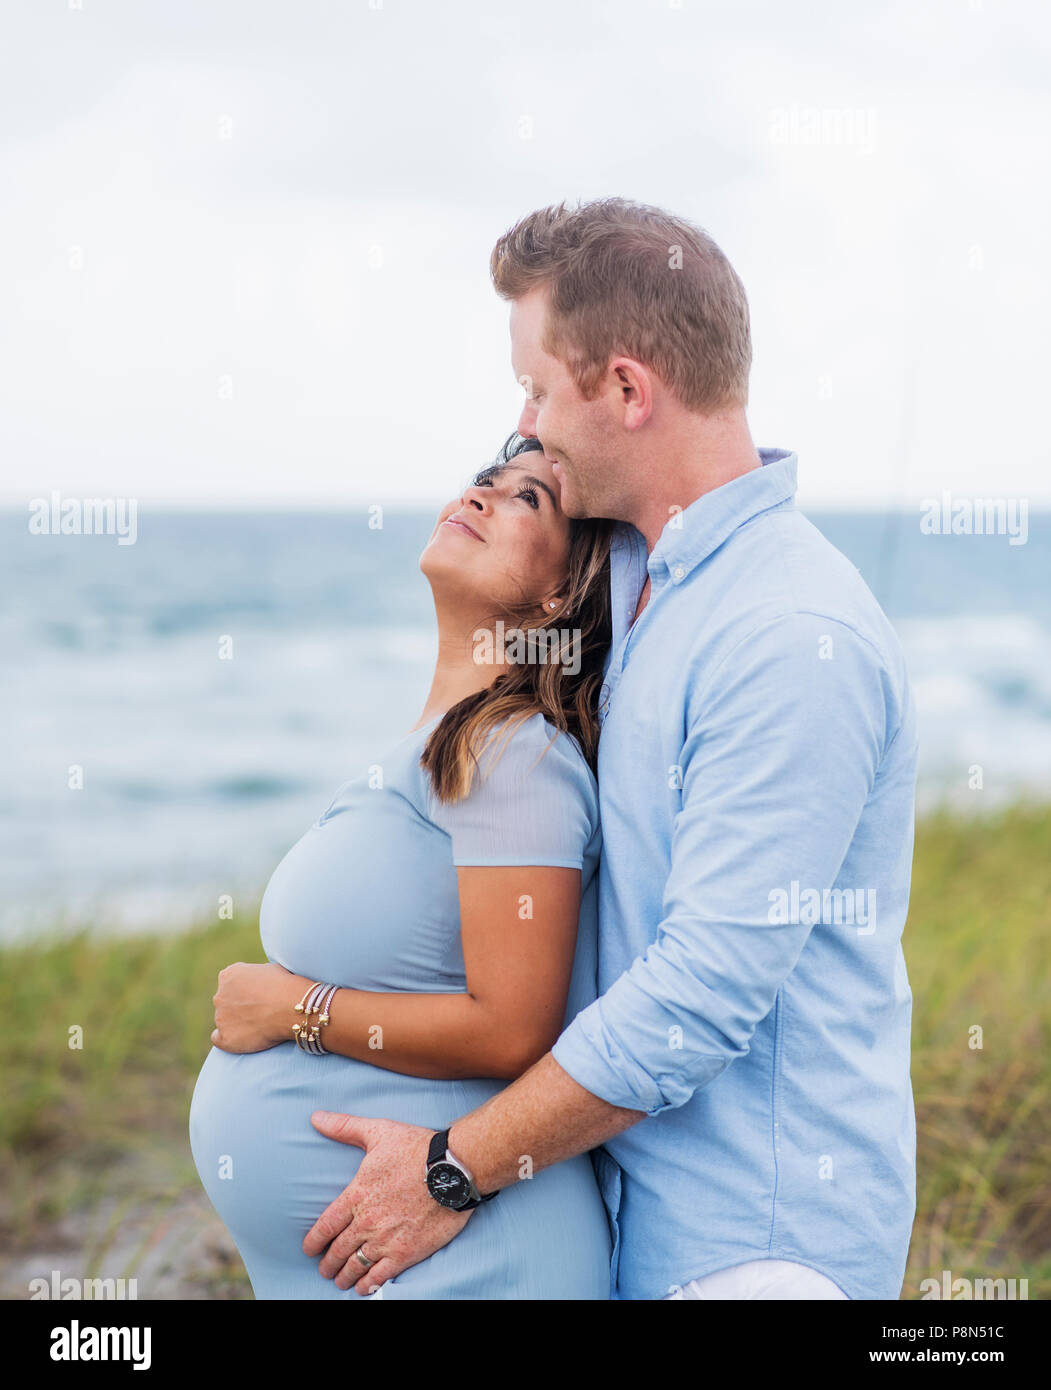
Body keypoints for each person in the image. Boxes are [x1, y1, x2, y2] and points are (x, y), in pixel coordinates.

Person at [300, 197, 919, 1302]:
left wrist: (449, 1171)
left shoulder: (787, 635)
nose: (526, 426)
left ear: (628, 390)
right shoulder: (640, 578)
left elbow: (698, 997)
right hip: (633, 1227)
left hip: (755, 1256)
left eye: (537, 390)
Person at [189, 432, 616, 1298]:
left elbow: (513, 1028)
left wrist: (296, 1010)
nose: (483, 494)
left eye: (526, 496)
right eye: (484, 480)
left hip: (482, 1260)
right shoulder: (450, 748)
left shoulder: (515, 757)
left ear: (560, 595)